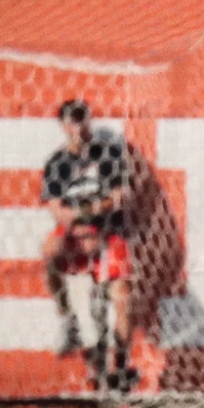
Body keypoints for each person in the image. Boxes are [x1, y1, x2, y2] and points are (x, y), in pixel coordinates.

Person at [41, 99, 136, 386]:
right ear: (63, 125)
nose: (78, 126)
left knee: (122, 294)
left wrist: (85, 211)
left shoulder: (108, 155)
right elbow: (58, 211)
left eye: (82, 118)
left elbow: (121, 197)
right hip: (77, 237)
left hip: (107, 233)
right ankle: (68, 321)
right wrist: (81, 217)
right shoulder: (57, 163)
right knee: (49, 252)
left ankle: (120, 364)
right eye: (72, 120)